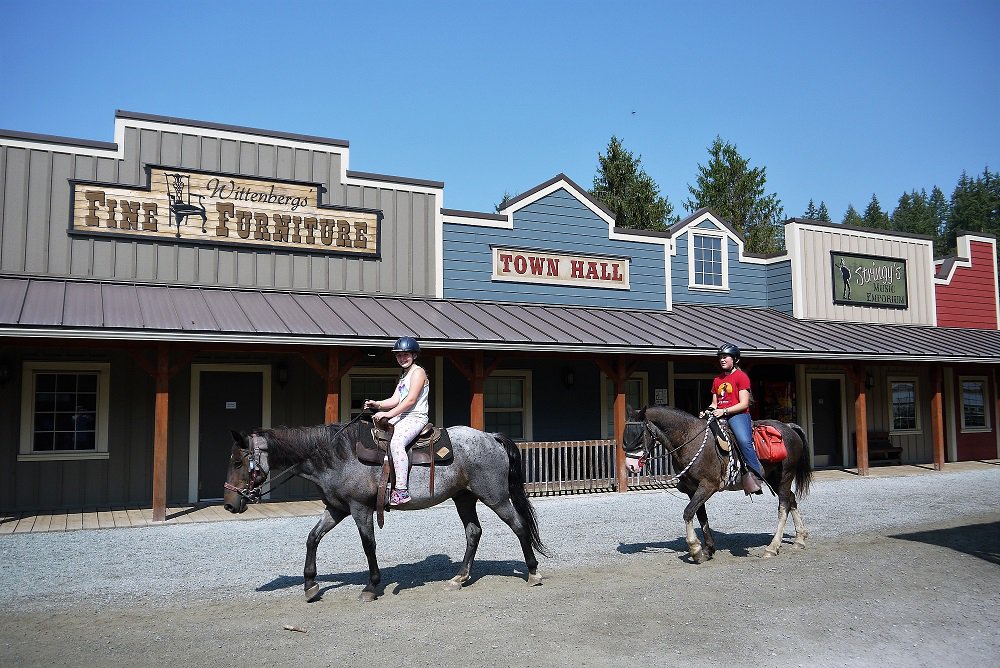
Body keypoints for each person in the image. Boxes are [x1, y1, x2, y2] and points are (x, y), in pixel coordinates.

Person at [363, 336, 429, 506]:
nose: (402, 358)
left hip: (416, 417)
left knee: (396, 443)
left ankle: (401, 490)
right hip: (403, 416)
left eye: (406, 354)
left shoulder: (418, 372)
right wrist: (377, 404)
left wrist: (388, 415)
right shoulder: (404, 376)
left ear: (414, 355)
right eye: (399, 355)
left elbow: (410, 400)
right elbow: (395, 399)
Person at [705, 343, 763, 495]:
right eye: (720, 358)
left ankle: (756, 475)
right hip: (720, 414)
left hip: (738, 415)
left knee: (744, 441)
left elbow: (743, 404)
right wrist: (708, 410)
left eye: (725, 357)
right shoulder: (717, 379)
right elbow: (714, 403)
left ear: (735, 359)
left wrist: (723, 410)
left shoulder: (741, 377)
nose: (722, 360)